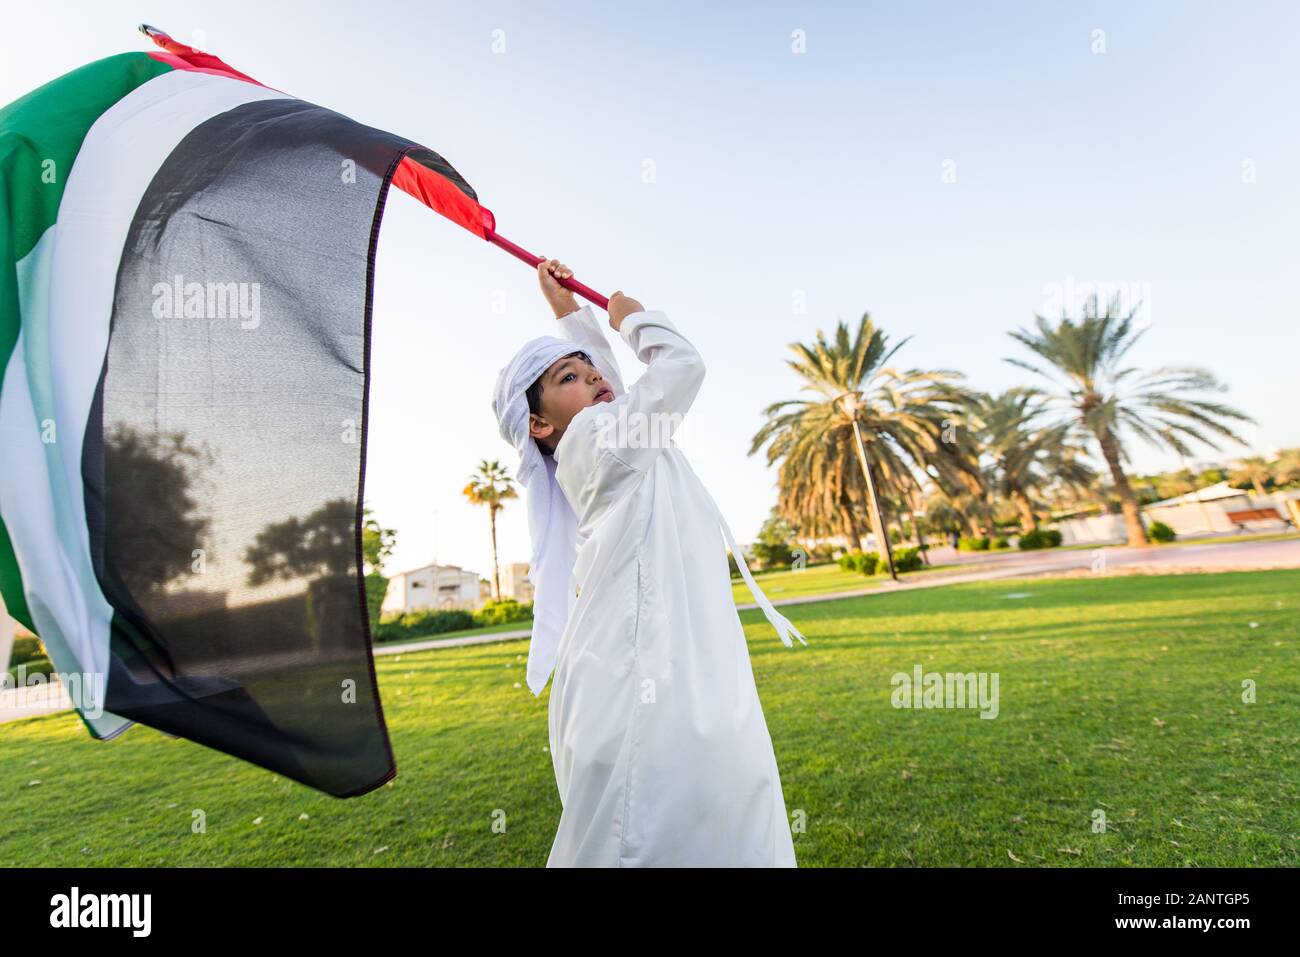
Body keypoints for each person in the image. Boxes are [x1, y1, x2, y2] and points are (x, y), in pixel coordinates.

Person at [491, 259, 807, 867]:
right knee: (649, 826)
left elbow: (606, 381)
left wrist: (569, 314)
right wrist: (633, 319)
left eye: (590, 370)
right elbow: (683, 365)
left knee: (711, 799)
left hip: (662, 652)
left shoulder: (613, 436)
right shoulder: (598, 441)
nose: (595, 379)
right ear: (538, 422)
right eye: (569, 377)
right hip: (639, 667)